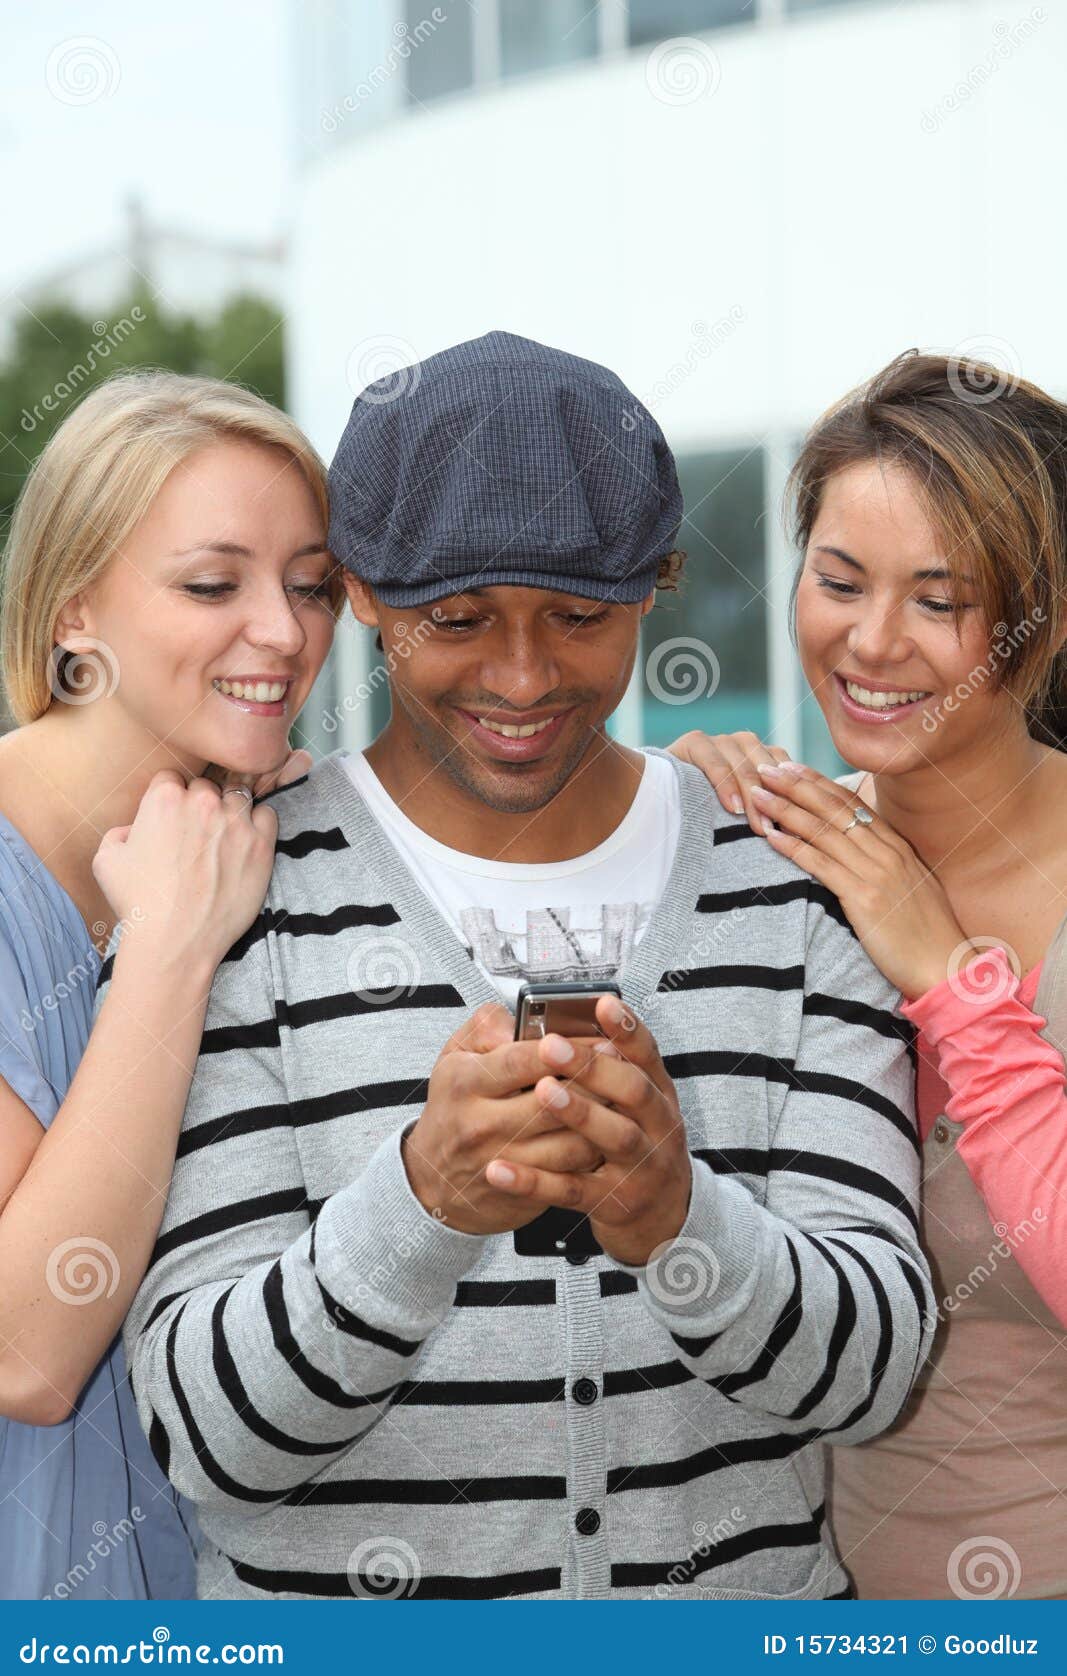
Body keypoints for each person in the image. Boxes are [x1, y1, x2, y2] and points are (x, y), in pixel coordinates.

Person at [105, 331, 934, 1602]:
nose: (522, 675)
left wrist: (675, 1218)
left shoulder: (794, 882)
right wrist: (419, 1205)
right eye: (457, 619)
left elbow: (871, 1375)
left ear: (656, 584)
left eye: (577, 617)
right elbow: (209, 1439)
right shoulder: (228, 895)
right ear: (363, 594)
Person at [668, 349, 1067, 1599]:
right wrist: (661, 828)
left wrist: (946, 975)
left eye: (938, 601)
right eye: (837, 581)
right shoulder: (782, 852)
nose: (870, 641)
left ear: (1038, 624)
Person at [0, 370, 342, 1597]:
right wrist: (171, 952)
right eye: (214, 583)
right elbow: (27, 1348)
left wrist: (692, 774)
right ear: (75, 610)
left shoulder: (257, 821)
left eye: (311, 585)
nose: (285, 631)